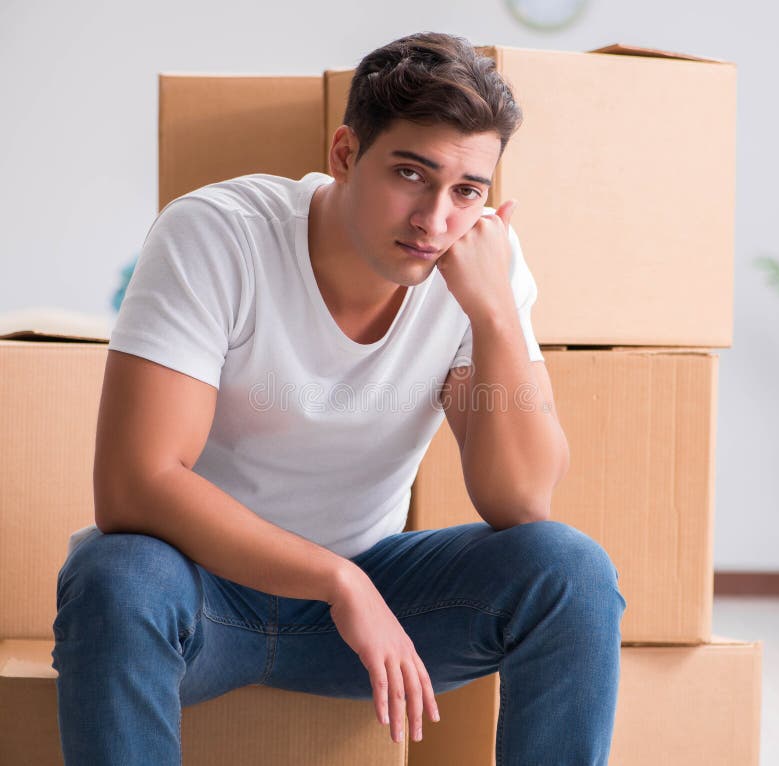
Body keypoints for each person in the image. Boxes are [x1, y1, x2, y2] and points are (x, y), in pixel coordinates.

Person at [51, 31, 626, 765]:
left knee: (570, 568)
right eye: (412, 174)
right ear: (346, 154)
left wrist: (496, 314)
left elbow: (519, 503)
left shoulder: (478, 267)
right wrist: (336, 581)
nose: (435, 219)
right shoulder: (219, 235)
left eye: (466, 191)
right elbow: (136, 484)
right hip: (199, 600)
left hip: (380, 605)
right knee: (117, 572)